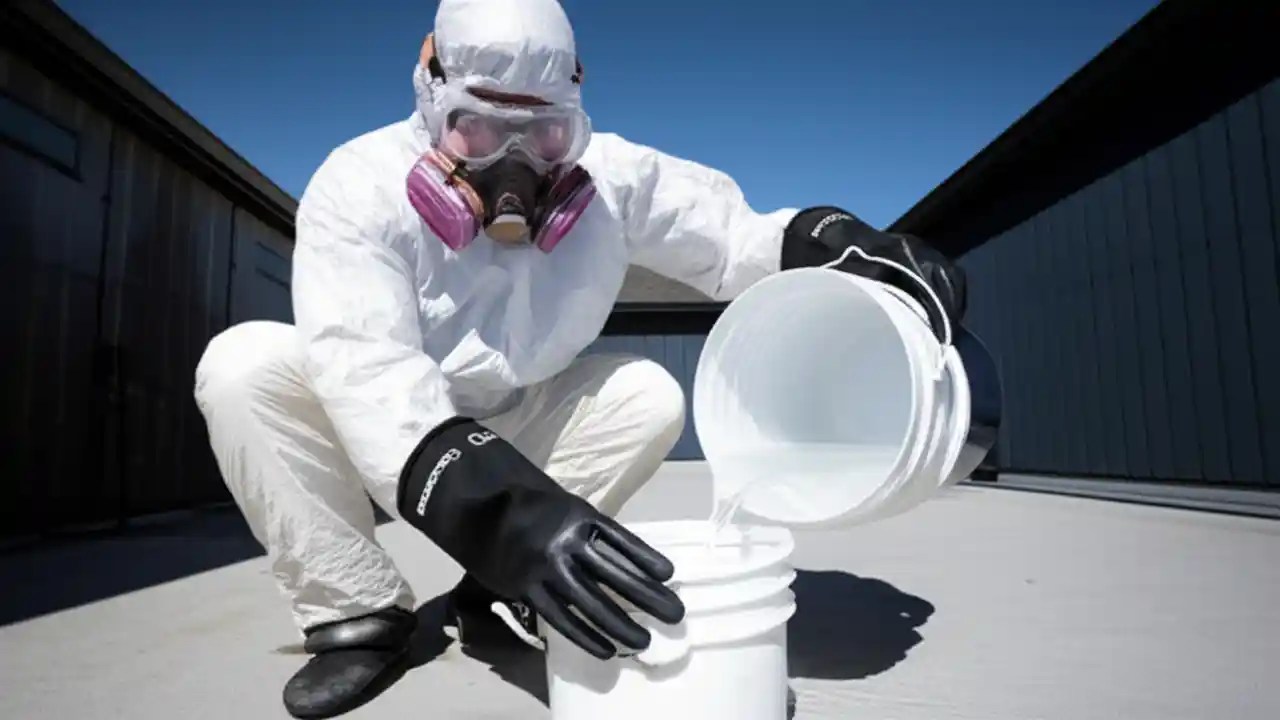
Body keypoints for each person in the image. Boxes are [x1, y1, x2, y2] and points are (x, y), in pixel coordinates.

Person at [192, 0, 966, 717]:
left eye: (547, 133)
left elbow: (733, 237)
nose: (517, 165)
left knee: (647, 392)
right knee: (242, 366)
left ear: (577, 106)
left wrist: (827, 240)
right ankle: (357, 611)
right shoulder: (358, 185)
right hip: (372, 428)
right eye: (480, 130)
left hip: (519, 420)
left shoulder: (609, 182)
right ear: (430, 86)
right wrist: (505, 516)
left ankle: (496, 592)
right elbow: (364, 370)